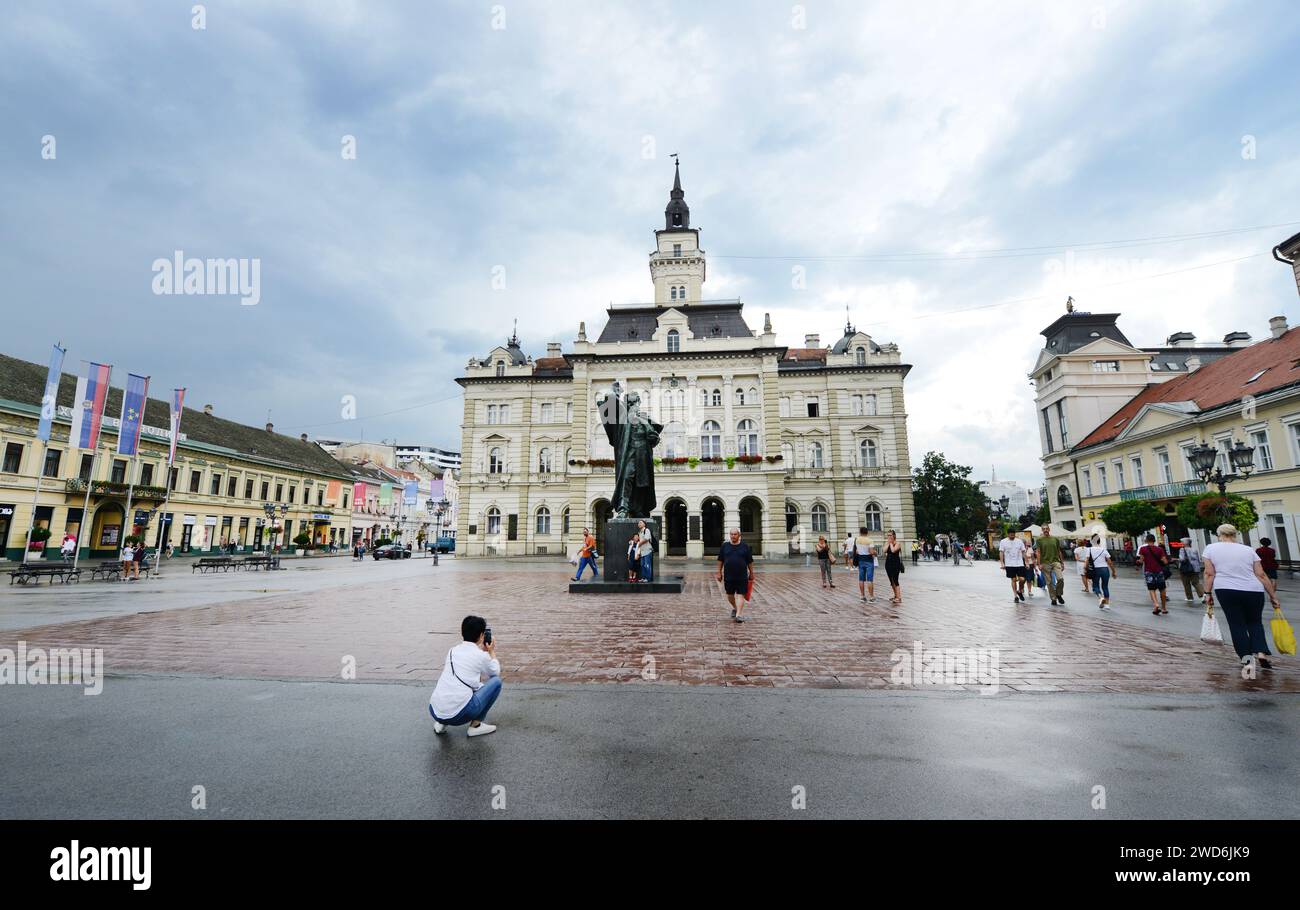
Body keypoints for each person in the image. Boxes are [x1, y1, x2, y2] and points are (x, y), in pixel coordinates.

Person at [1204, 524, 1280, 674]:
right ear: (1235, 534)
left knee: (1237, 625)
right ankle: (1261, 653)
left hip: (1226, 590)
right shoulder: (1248, 550)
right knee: (1255, 622)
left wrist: (1207, 593)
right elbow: (1261, 575)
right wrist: (1273, 596)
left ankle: (1247, 660)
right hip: (1253, 590)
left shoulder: (1211, 549)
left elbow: (1209, 573)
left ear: (1219, 535)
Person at [429, 615, 502, 737]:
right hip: (459, 716)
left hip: (435, 711)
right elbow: (495, 672)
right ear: (481, 636)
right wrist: (490, 651)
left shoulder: (452, 651)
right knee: (496, 682)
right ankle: (476, 726)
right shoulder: (480, 655)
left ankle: (441, 723)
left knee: (458, 685)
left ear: (463, 632)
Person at [717, 528, 754, 622]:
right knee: (729, 595)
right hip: (729, 576)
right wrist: (719, 572)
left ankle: (739, 615)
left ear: (739, 535)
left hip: (742, 576)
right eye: (731, 534)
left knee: (741, 594)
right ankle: (735, 608)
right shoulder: (725, 546)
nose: (733, 536)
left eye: (735, 534)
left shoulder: (745, 546)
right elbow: (720, 560)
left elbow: (749, 561)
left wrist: (751, 573)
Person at [1136, 533, 1169, 614]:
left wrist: (1138, 562)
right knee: (1162, 589)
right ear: (1154, 540)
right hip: (1159, 571)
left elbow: (1141, 560)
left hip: (1149, 571)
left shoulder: (1143, 549)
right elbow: (1165, 561)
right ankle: (1164, 608)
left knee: (1151, 589)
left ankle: (1156, 604)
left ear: (1146, 540)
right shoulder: (1159, 549)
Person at [1037, 524, 1066, 605]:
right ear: (1042, 530)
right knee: (1049, 582)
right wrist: (1039, 564)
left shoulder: (1055, 539)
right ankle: (1053, 598)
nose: (1045, 530)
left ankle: (1059, 594)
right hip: (1045, 563)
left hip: (1056, 562)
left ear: (1049, 529)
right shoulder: (1039, 540)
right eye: (1044, 529)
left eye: (1047, 528)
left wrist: (1062, 563)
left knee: (1060, 579)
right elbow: (1038, 552)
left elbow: (1059, 551)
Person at [1084, 535, 1115, 609]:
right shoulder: (1103, 549)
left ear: (1092, 541)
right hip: (1105, 569)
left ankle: (1100, 598)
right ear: (1099, 541)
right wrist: (1113, 571)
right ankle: (1107, 605)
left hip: (1095, 570)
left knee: (1095, 585)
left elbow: (1087, 560)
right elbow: (1110, 562)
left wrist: (1085, 568)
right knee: (1105, 586)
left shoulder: (1089, 549)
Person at [997, 529, 1027, 603]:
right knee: (1013, 579)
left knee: (1022, 579)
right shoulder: (1003, 541)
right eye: (1010, 534)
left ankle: (1019, 591)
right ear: (1008, 534)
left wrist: (1026, 562)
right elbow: (1001, 552)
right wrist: (1002, 563)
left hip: (1019, 563)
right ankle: (1015, 596)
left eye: (1013, 534)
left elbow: (1023, 552)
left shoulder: (1019, 541)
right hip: (1009, 564)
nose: (1012, 535)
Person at [854, 527, 877, 604]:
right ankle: (871, 597)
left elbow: (857, 551)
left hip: (861, 560)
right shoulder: (870, 540)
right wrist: (875, 552)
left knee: (861, 579)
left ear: (860, 532)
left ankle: (862, 596)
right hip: (869, 561)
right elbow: (871, 551)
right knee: (869, 579)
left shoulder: (857, 540)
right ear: (867, 532)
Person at [884, 530, 904, 604]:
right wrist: (888, 543)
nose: (889, 537)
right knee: (891, 581)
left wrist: (891, 543)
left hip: (896, 564)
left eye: (890, 535)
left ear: (894, 536)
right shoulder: (887, 543)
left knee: (895, 580)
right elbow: (884, 550)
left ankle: (899, 598)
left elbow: (893, 550)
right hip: (888, 564)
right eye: (888, 535)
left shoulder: (897, 543)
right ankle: (895, 596)